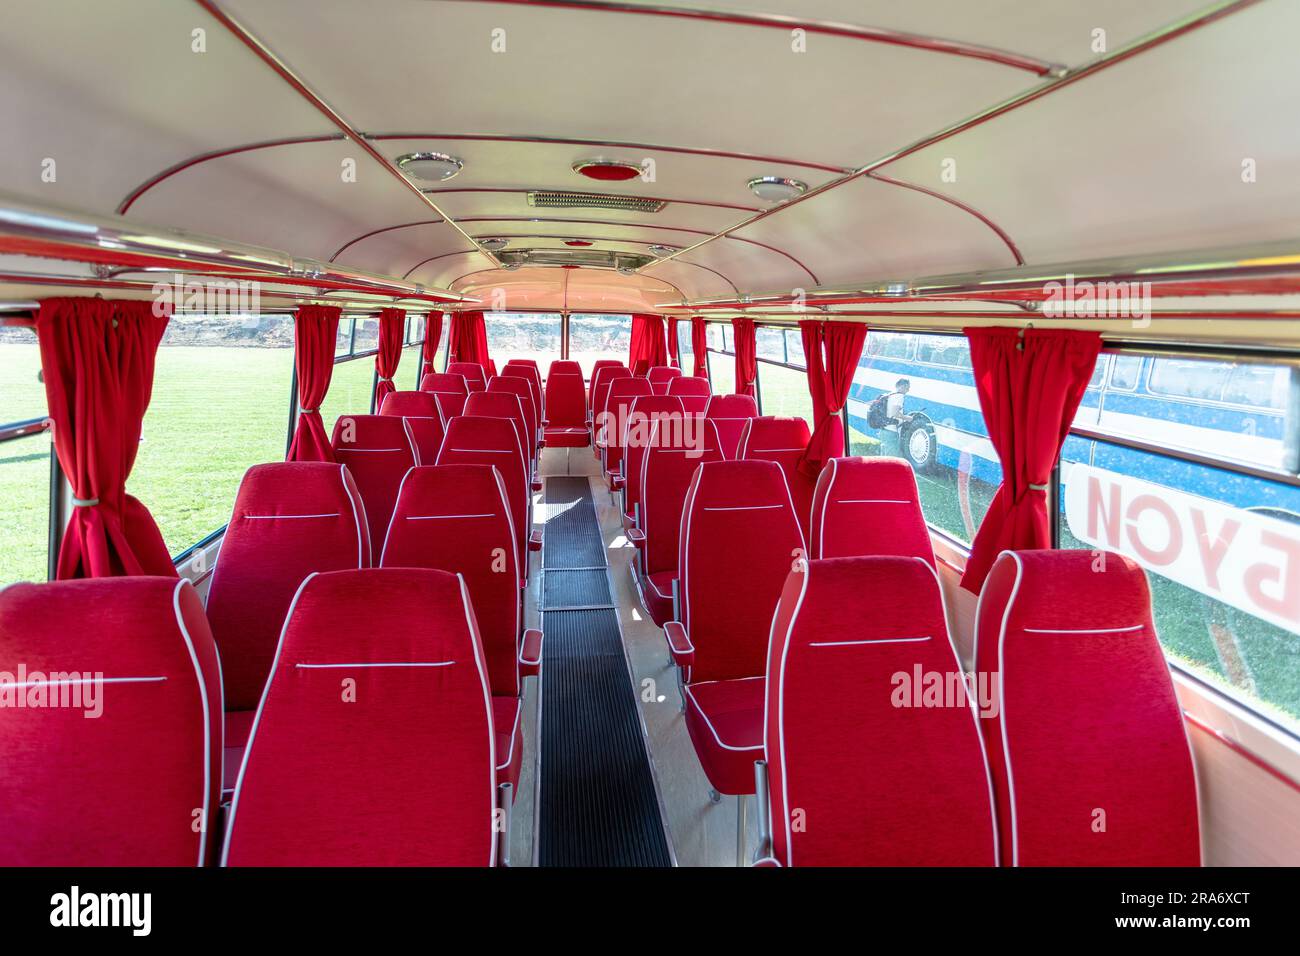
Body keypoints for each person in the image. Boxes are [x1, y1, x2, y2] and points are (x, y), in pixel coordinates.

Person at [880, 378, 913, 457]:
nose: (908, 390)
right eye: (907, 387)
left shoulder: (891, 395)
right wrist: (907, 418)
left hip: (884, 429)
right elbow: (894, 413)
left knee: (884, 455)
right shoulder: (899, 396)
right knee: (892, 457)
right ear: (902, 386)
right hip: (891, 431)